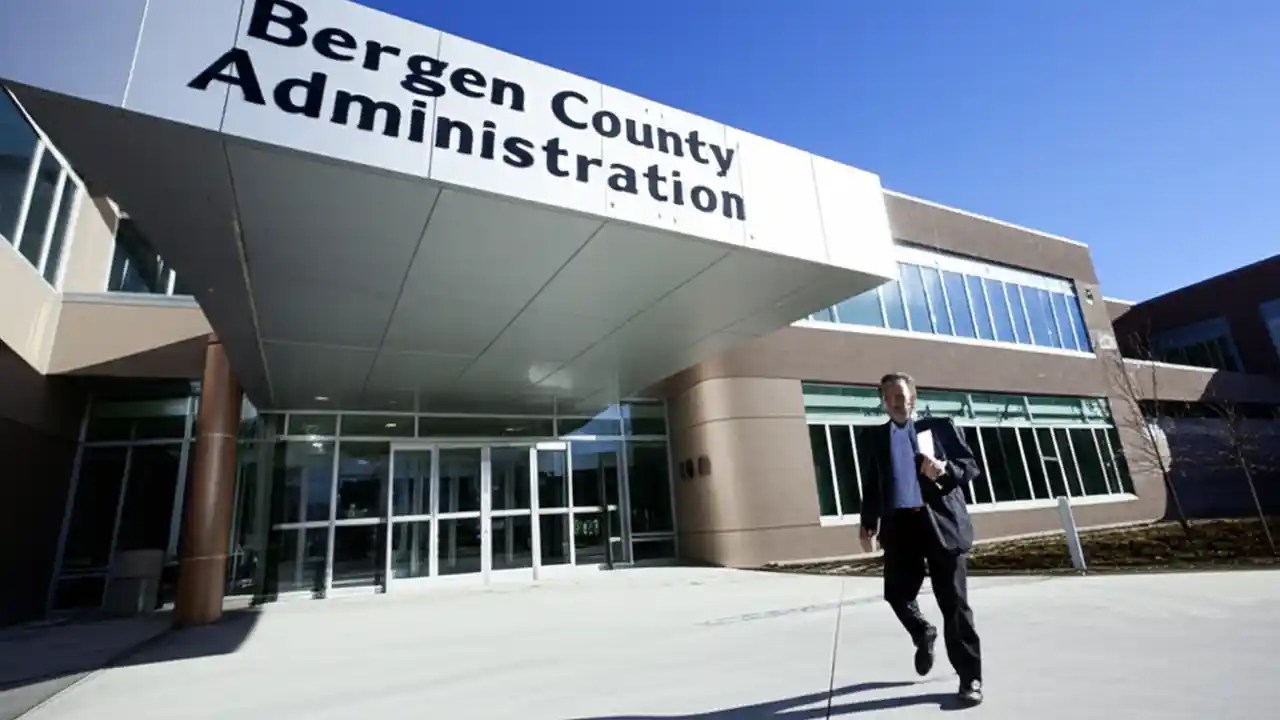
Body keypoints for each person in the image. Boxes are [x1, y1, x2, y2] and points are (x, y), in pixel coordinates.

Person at [859, 372, 984, 706]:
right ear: (884, 402)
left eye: (903, 395)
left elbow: (971, 467)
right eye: (891, 398)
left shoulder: (939, 427)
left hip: (941, 524)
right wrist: (868, 522)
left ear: (914, 396)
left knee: (954, 605)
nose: (898, 403)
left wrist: (943, 469)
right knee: (896, 594)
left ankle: (970, 677)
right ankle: (922, 632)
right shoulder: (876, 438)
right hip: (900, 526)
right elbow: (873, 483)